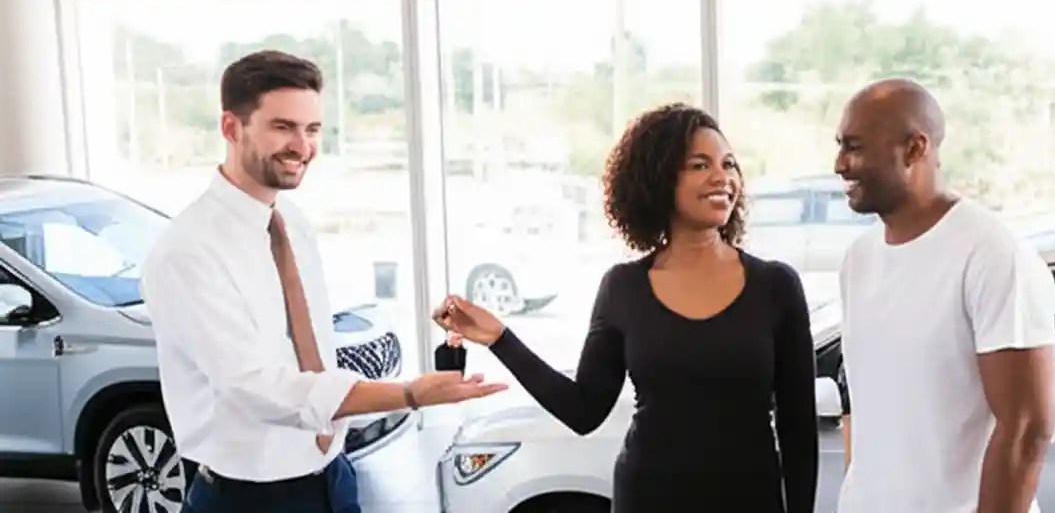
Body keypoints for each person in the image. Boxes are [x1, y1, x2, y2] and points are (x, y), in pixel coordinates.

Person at [141, 50, 505, 513]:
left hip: (332, 478)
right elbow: (254, 388)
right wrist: (408, 394)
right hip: (250, 499)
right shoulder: (188, 251)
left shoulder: (290, 222)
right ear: (231, 128)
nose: (302, 146)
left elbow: (310, 349)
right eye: (283, 127)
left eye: (311, 129)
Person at [434, 103, 818, 513]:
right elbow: (584, 409)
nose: (722, 177)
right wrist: (500, 339)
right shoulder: (624, 288)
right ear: (659, 178)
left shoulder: (776, 286)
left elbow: (798, 431)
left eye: (728, 164)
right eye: (699, 165)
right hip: (648, 498)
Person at [833, 79, 1055, 513]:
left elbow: (1028, 428)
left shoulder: (992, 253)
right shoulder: (858, 259)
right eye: (841, 146)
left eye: (855, 147)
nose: (841, 164)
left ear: (916, 148)